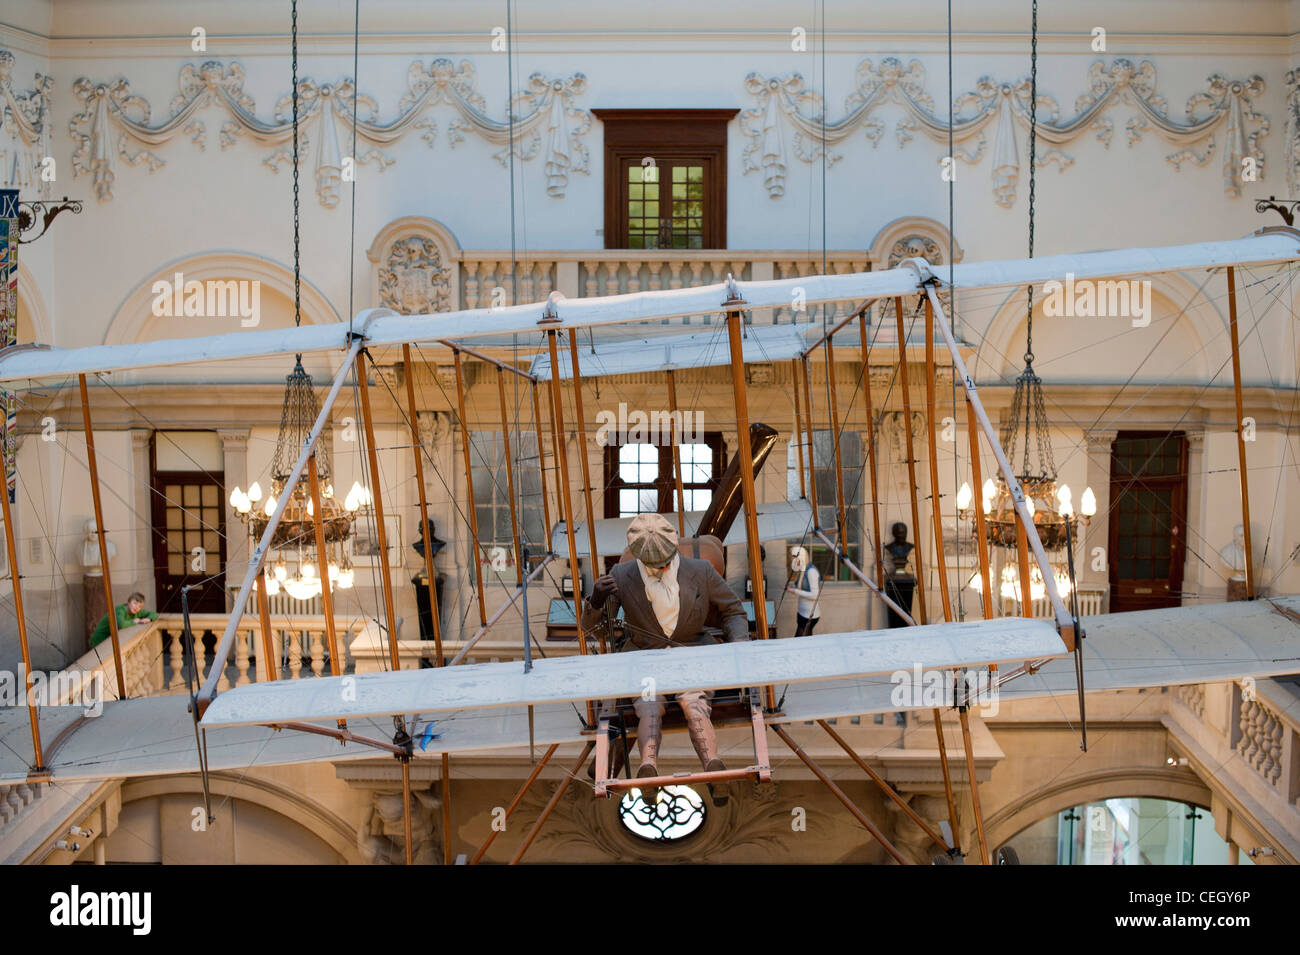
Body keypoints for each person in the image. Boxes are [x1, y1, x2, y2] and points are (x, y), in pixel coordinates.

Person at [582, 513, 747, 800]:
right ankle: (648, 768)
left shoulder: (701, 571)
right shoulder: (622, 575)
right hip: (645, 659)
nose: (664, 566)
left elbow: (734, 610)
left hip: (692, 653)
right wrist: (596, 600)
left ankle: (713, 765)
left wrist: (739, 647)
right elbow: (594, 630)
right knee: (647, 703)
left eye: (667, 560)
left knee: (694, 699)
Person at [90, 592, 157, 648]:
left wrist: (148, 619)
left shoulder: (137, 611)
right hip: (100, 639)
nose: (137, 607)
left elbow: (154, 614)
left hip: (110, 639)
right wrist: (133, 621)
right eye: (135, 603)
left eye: (140, 606)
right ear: (128, 602)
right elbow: (121, 624)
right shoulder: (120, 610)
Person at [786, 545, 821, 636]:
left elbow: (815, 595)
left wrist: (794, 591)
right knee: (806, 640)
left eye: (794, 559)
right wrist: (791, 587)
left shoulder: (811, 572)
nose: (793, 562)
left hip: (809, 615)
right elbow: (801, 587)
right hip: (802, 613)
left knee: (799, 642)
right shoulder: (802, 570)